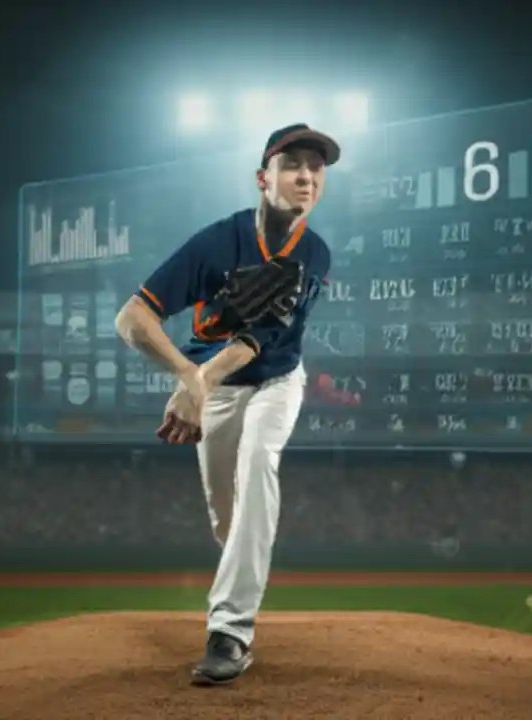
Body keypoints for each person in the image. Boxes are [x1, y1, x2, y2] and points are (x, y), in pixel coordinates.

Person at [115, 123, 338, 685]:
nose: (306, 176)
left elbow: (257, 339)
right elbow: (132, 319)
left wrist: (196, 384)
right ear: (264, 179)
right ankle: (241, 574)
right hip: (214, 388)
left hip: (275, 381)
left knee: (259, 460)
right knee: (226, 517)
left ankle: (230, 632)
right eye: (292, 165)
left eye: (316, 167)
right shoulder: (217, 242)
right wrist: (189, 376)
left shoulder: (313, 252)